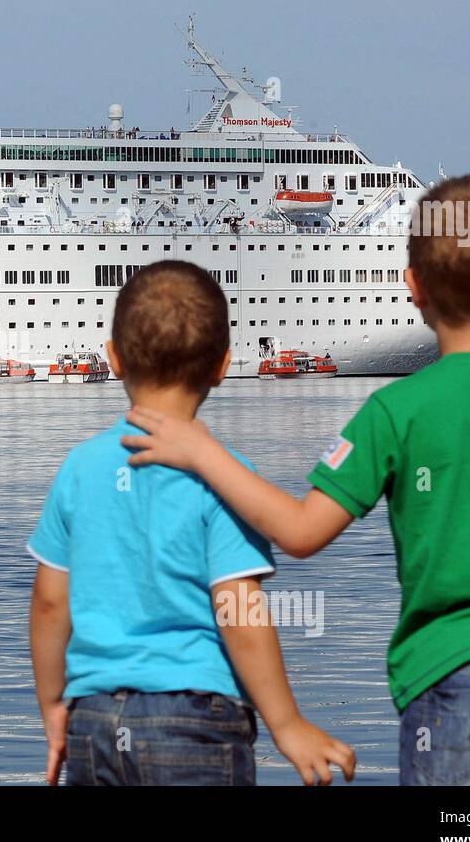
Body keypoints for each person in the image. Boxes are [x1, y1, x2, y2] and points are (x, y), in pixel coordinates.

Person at [123, 175, 470, 785]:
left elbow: (303, 532)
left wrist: (204, 452)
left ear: (412, 287)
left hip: (447, 673)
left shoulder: (396, 411)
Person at [29, 261, 356, 786]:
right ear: (222, 365)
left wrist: (53, 705)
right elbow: (238, 609)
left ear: (113, 358)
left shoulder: (80, 468)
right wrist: (287, 723)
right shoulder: (220, 477)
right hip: (194, 722)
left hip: (93, 719)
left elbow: (49, 601)